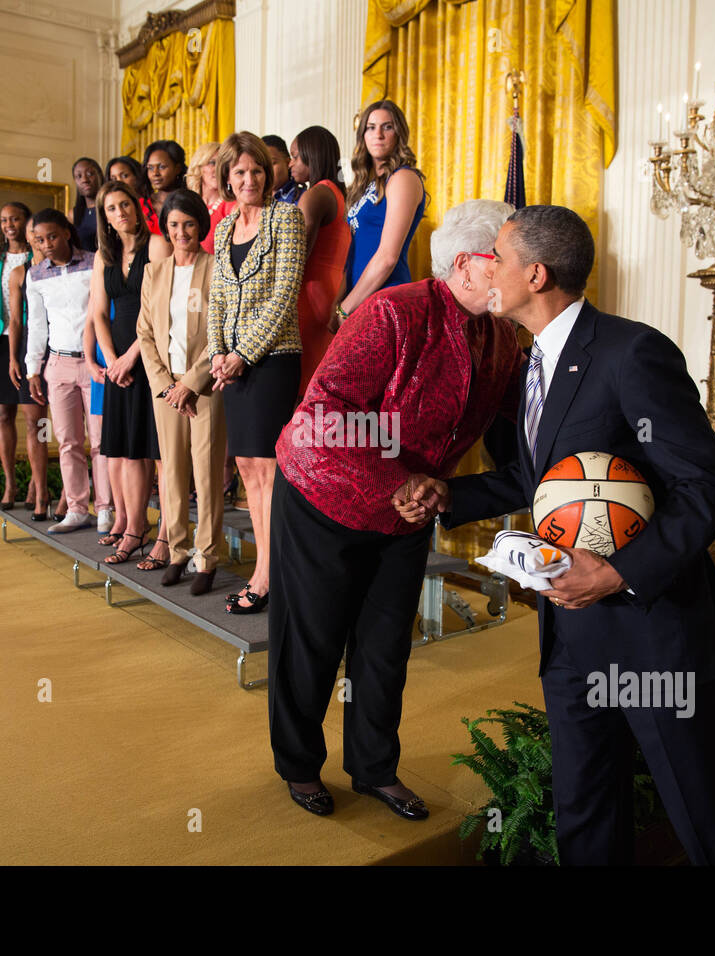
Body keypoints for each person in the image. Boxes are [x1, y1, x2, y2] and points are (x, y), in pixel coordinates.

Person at [407, 205, 715, 866]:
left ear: (535, 274)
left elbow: (707, 488)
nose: (485, 267)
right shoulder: (531, 363)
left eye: (498, 256)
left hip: (653, 631)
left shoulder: (632, 353)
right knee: (585, 808)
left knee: (706, 814)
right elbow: (538, 478)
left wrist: (618, 571)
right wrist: (449, 495)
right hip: (571, 632)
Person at [269, 200, 523, 819]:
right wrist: (402, 479)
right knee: (314, 641)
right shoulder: (395, 310)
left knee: (385, 648)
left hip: (407, 511)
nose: (525, 271)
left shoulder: (501, 336)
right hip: (323, 495)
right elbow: (325, 411)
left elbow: (507, 435)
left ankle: (374, 769)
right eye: (510, 259)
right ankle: (299, 765)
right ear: (466, 265)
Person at [208, 131, 306, 614]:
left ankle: (268, 575)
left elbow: (284, 295)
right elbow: (217, 300)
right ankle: (268, 568)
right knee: (246, 468)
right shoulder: (224, 229)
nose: (249, 179)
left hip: (272, 360)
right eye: (240, 172)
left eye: (257, 171)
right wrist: (216, 355)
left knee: (267, 469)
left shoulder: (285, 217)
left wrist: (242, 355)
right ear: (228, 177)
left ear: (268, 176)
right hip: (231, 365)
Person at [137, 189, 224, 595]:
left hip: (205, 385)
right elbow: (145, 333)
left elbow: (224, 329)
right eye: (174, 224)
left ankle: (206, 558)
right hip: (166, 387)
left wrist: (192, 382)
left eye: (189, 223)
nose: (181, 231)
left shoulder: (217, 268)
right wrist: (165, 384)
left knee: (205, 473)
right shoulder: (154, 272)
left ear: (200, 226)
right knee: (171, 471)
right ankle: (177, 551)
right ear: (165, 228)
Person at [88, 180, 173, 567]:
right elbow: (98, 313)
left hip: (150, 356)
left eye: (125, 204)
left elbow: (160, 309)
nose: (120, 212)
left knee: (154, 452)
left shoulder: (156, 245)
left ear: (137, 206)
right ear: (103, 216)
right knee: (125, 451)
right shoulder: (103, 256)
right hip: (117, 364)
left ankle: (161, 535)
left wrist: (130, 357)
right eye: (111, 208)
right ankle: (133, 529)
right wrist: (110, 359)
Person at [24, 208, 96, 533]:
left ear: (66, 232)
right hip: (58, 364)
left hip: (94, 363)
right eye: (40, 239)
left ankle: (106, 509)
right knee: (68, 441)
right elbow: (37, 324)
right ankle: (78, 509)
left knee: (100, 442)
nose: (47, 244)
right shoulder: (35, 275)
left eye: (52, 236)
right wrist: (32, 368)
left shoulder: (95, 263)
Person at [338, 100, 426, 327]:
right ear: (363, 135)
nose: (378, 134)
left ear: (399, 133)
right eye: (371, 127)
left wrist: (345, 308)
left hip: (385, 299)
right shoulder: (365, 184)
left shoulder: (403, 178)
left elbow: (388, 257)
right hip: (359, 298)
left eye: (387, 127)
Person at [0, 202, 33, 509]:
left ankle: (37, 485)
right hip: (0, 340)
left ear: (25, 222)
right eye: (4, 220)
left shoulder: (36, 254)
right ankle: (10, 484)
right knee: (4, 413)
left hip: (31, 338)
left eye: (14, 219)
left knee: (32, 415)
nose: (9, 224)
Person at [288, 126, 350, 396]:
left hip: (309, 295)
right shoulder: (337, 193)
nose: (290, 164)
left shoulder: (315, 195)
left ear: (311, 158)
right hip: (331, 290)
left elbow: (296, 255)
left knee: (301, 389)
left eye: (294, 156)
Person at [5, 217, 56, 520]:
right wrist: (14, 358)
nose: (41, 242)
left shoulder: (69, 267)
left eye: (45, 237)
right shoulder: (20, 273)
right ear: (29, 240)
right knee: (36, 425)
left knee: (68, 427)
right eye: (34, 238)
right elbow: (15, 320)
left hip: (64, 347)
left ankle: (66, 496)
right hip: (31, 351)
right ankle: (40, 490)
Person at [186, 141, 232, 254]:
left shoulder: (231, 205)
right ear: (199, 167)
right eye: (212, 163)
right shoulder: (187, 203)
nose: (218, 169)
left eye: (223, 164)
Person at [140, 140, 187, 237]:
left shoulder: (190, 202)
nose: (155, 173)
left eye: (162, 167)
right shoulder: (140, 205)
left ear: (177, 168)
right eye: (151, 168)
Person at [68, 157, 104, 253]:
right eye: (79, 176)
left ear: (99, 175)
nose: (84, 180)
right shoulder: (73, 214)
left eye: (90, 174)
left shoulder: (109, 209)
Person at [261, 134, 301, 205]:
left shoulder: (302, 199)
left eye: (272, 163)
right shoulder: (256, 199)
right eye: (260, 166)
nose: (266, 171)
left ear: (288, 163)